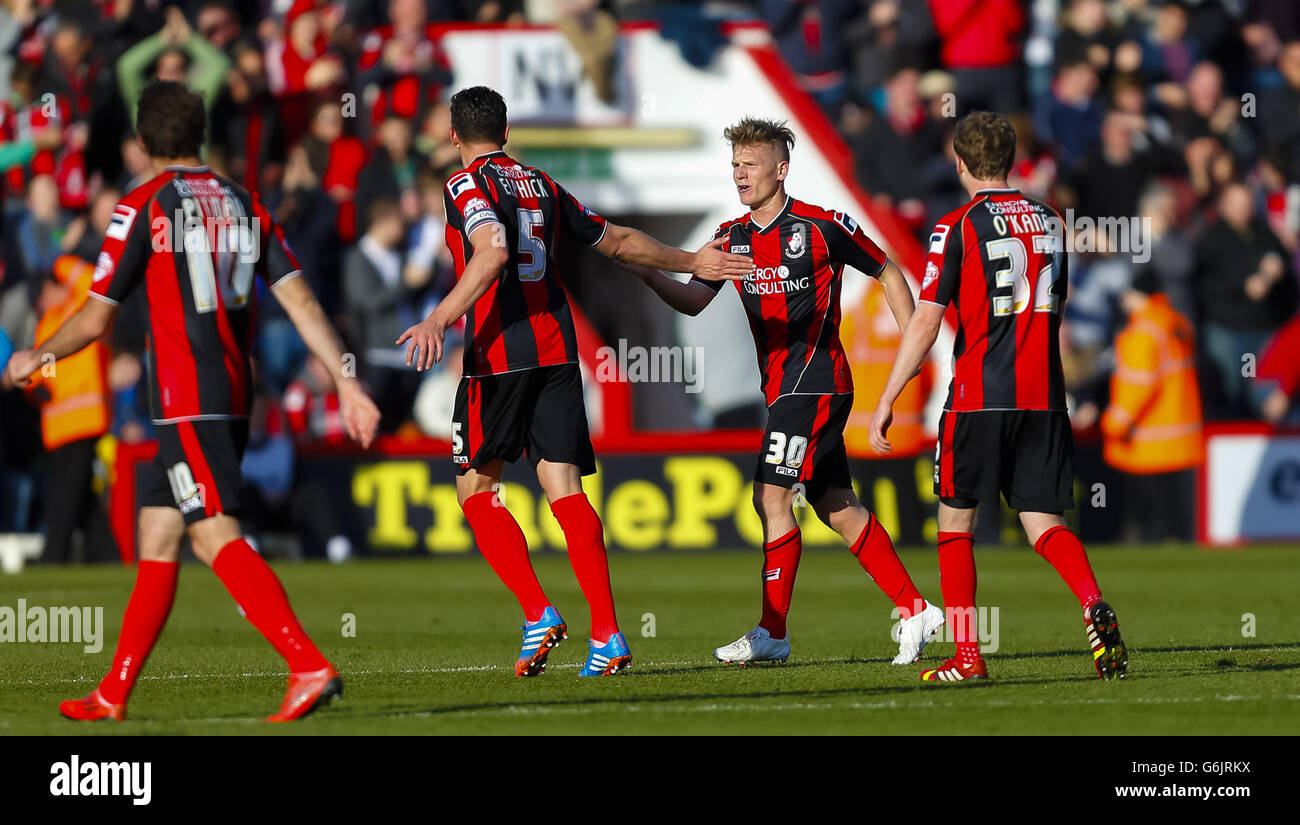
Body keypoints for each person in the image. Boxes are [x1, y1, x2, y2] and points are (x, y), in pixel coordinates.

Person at [3, 81, 381, 721]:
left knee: (211, 536)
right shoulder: (246, 202)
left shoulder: (142, 206)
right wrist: (345, 380)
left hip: (185, 396)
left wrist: (35, 356)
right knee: (158, 532)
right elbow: (301, 301)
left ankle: (307, 663)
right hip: (232, 391)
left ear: (144, 142)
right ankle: (113, 692)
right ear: (198, 134)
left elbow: (96, 319)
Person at [397, 86, 751, 677]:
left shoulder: (462, 185)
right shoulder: (540, 183)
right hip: (559, 356)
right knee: (563, 487)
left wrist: (438, 318)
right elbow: (617, 241)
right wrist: (692, 260)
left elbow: (491, 252)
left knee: (476, 491)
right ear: (506, 133)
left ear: (454, 136)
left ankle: (538, 612)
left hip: (500, 359)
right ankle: (608, 635)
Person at [619, 117, 944, 666]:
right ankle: (917, 610)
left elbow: (889, 272)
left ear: (781, 169)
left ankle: (772, 631)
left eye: (749, 164)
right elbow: (694, 301)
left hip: (817, 383)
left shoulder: (821, 226)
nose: (740, 175)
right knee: (836, 505)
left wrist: (913, 344)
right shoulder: (731, 238)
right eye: (734, 166)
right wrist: (650, 274)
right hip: (785, 391)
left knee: (770, 495)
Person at [870, 111, 1128, 683]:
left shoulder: (956, 226)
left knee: (955, 525)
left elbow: (926, 323)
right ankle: (1091, 602)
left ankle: (968, 657)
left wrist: (890, 393)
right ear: (1010, 160)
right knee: (1044, 522)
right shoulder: (1051, 218)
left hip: (979, 394)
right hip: (1045, 395)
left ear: (959, 161)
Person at [1101, 270, 1203, 543]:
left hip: (1149, 439)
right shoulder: (1177, 323)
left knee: (1149, 522)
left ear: (1137, 296)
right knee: (1179, 521)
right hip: (1182, 435)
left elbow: (1138, 385)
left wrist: (1114, 424)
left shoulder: (1142, 332)